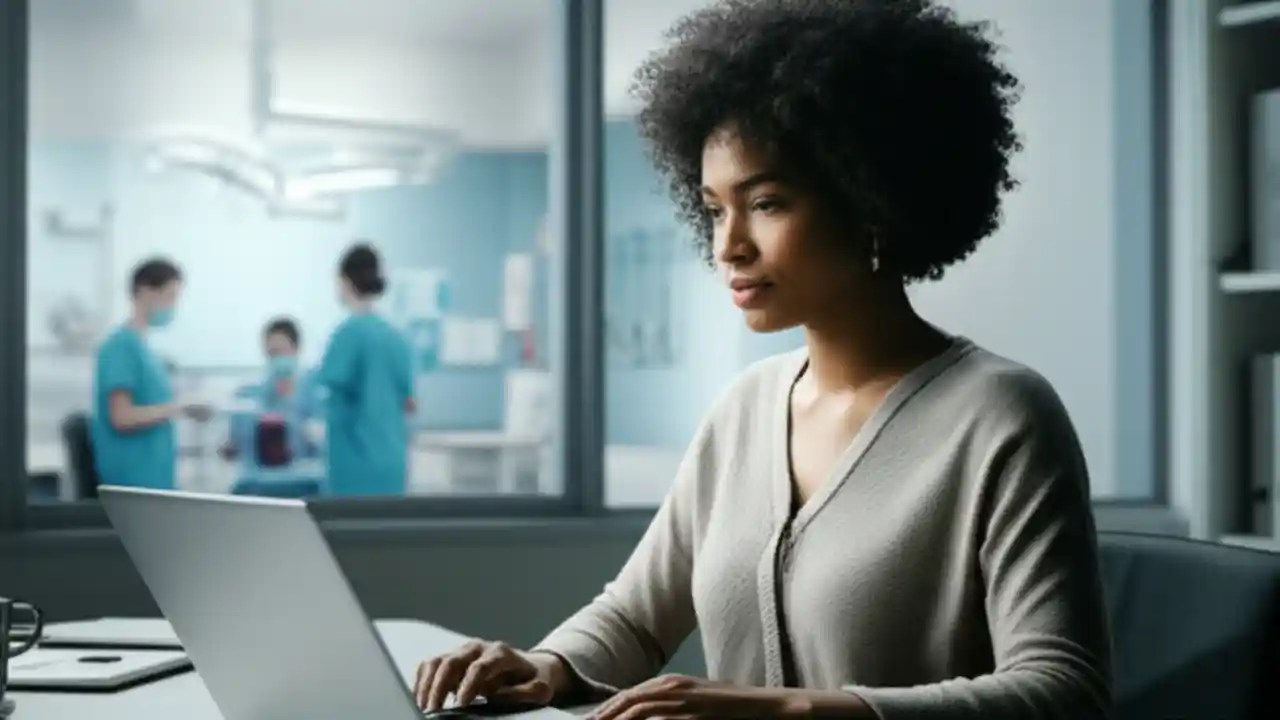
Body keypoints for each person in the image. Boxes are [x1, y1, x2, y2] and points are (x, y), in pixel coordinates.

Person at [415, 1, 1113, 719]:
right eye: (716, 209)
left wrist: (792, 711)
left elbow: (1063, 691)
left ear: (872, 200)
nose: (729, 247)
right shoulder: (746, 406)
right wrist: (544, 666)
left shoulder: (1001, 415)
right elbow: (634, 615)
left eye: (768, 203)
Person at [91, 258, 209, 489]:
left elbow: (153, 406)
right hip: (133, 478)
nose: (173, 306)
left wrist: (186, 407)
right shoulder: (120, 347)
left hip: (154, 476)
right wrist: (180, 407)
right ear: (144, 292)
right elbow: (122, 417)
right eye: (170, 296)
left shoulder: (145, 350)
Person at [319, 243, 414, 496]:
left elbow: (330, 393)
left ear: (345, 281)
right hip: (393, 464)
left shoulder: (348, 334)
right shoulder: (397, 338)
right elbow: (409, 402)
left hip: (355, 467)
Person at [222, 317, 325, 495]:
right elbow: (232, 447)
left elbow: (323, 445)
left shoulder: (314, 393)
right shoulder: (248, 396)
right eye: (270, 353)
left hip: (304, 485)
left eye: (280, 352)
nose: (275, 359)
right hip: (257, 485)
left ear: (296, 350)